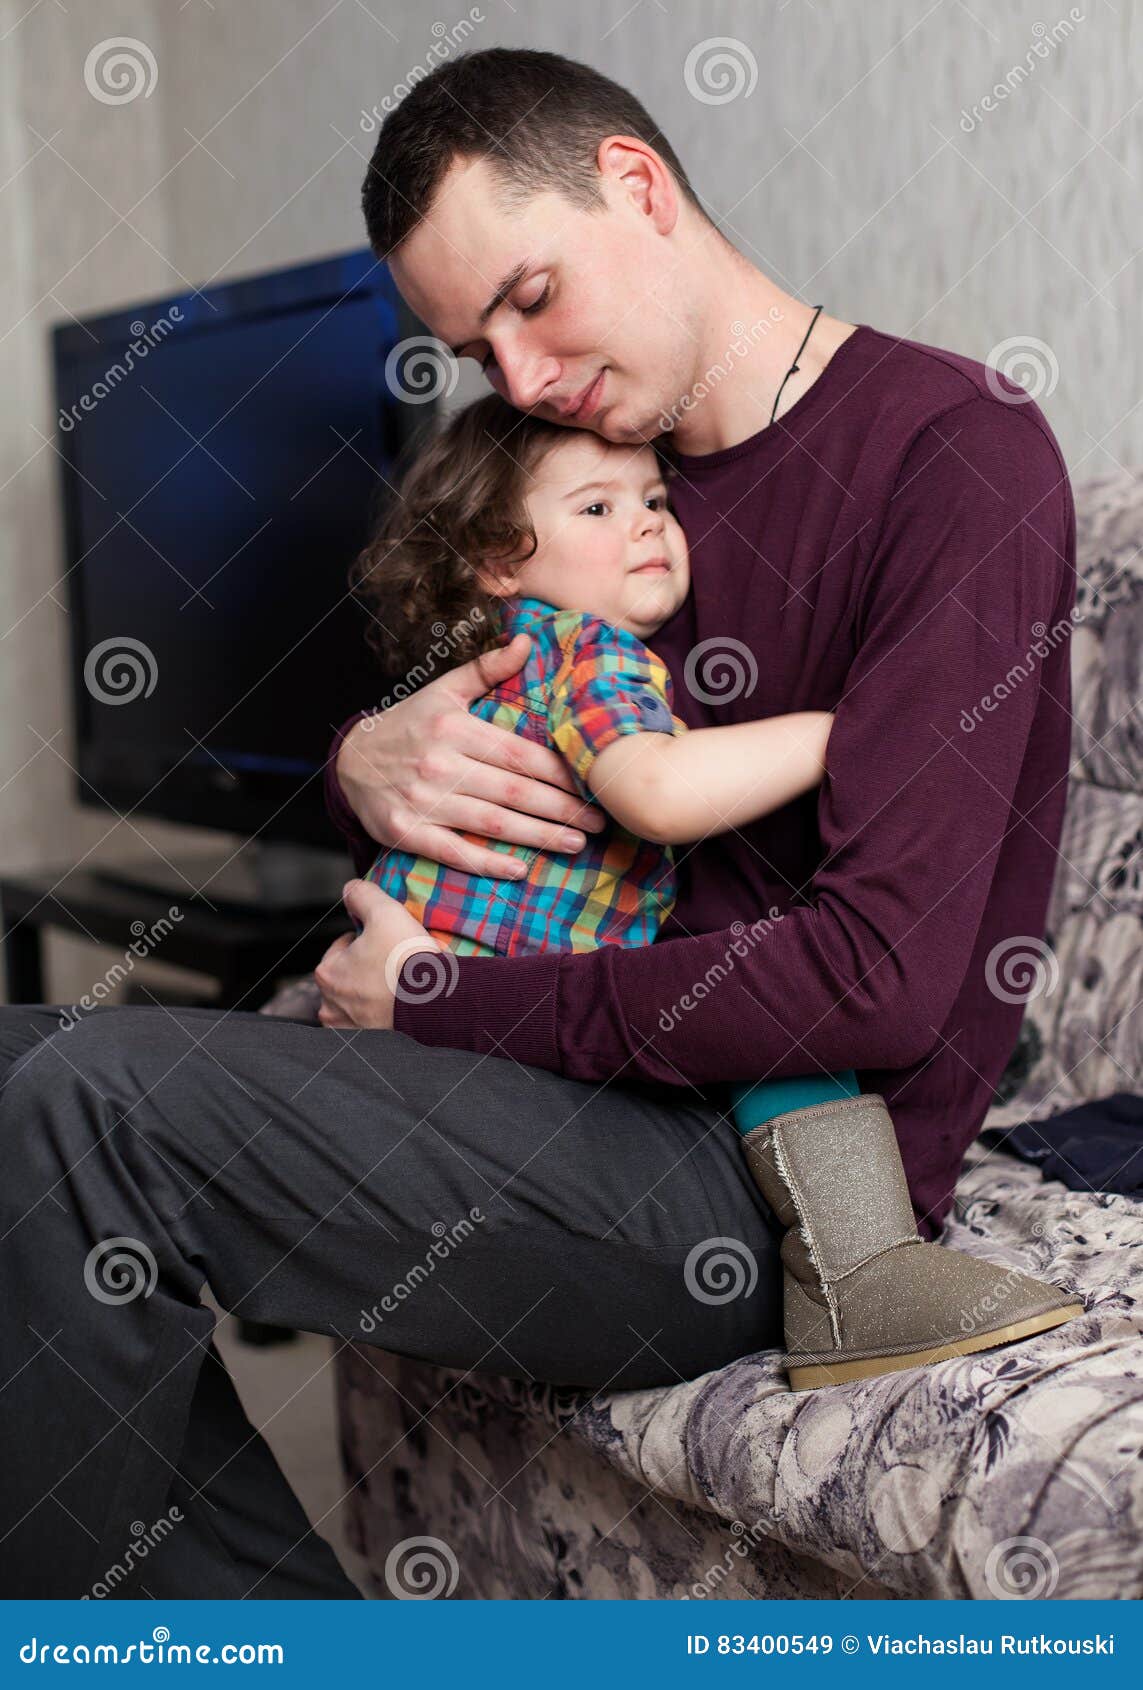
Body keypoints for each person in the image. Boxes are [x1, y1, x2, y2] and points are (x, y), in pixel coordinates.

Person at [0, 45, 1080, 1599]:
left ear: (635, 184)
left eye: (528, 298)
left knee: (82, 1110)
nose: (515, 376)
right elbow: (502, 709)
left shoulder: (949, 457)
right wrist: (362, 757)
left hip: (758, 1173)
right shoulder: (606, 486)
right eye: (472, 346)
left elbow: (883, 978)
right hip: (557, 1089)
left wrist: (439, 990)